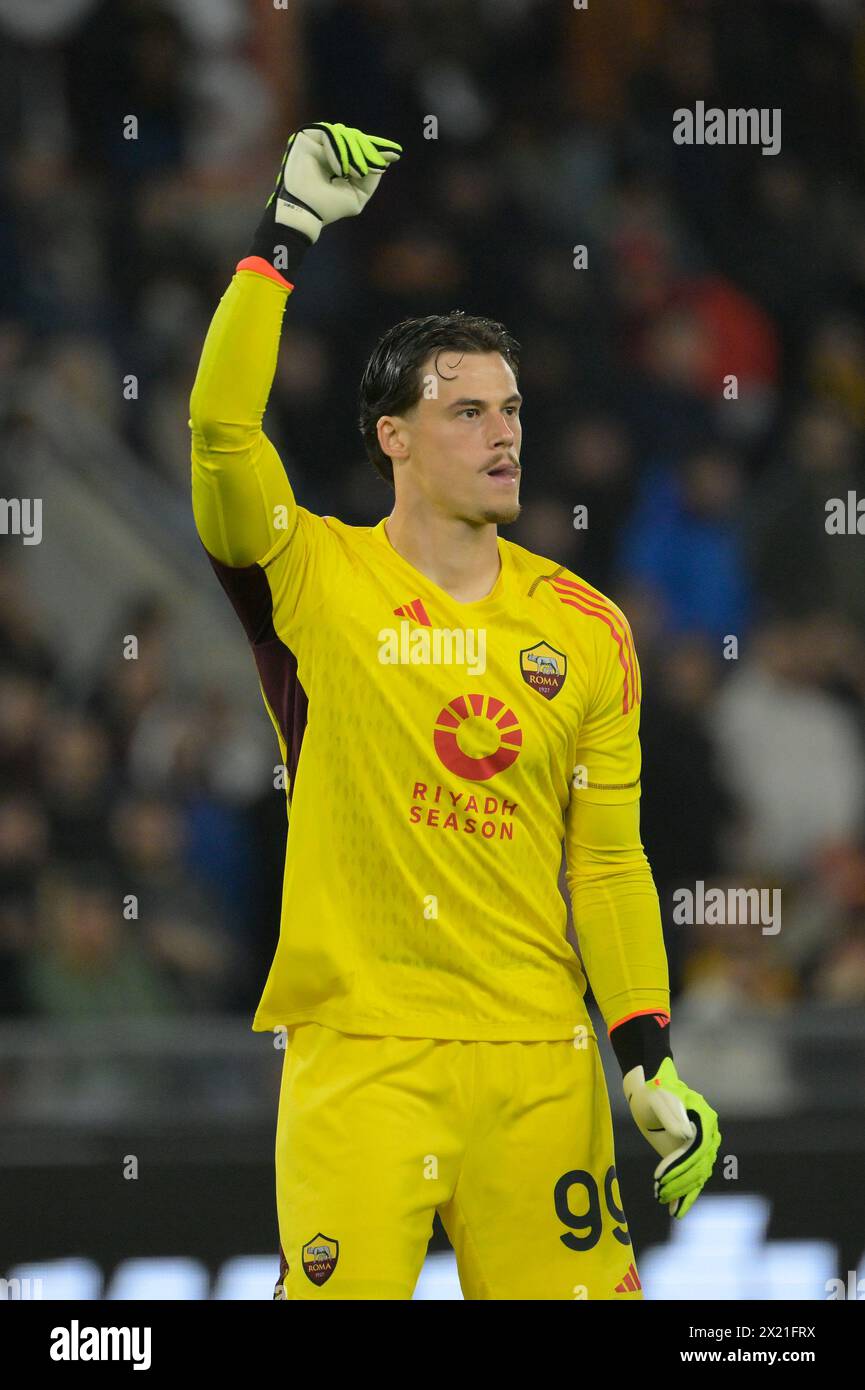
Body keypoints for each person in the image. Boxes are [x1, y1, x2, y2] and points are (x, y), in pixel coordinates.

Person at [188, 121, 720, 1301]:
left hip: (541, 1062)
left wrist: (647, 1054)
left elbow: (609, 858)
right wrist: (282, 239)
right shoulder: (313, 576)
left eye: (513, 408)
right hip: (362, 1054)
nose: (505, 432)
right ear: (394, 439)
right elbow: (222, 432)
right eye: (468, 411)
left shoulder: (586, 628)